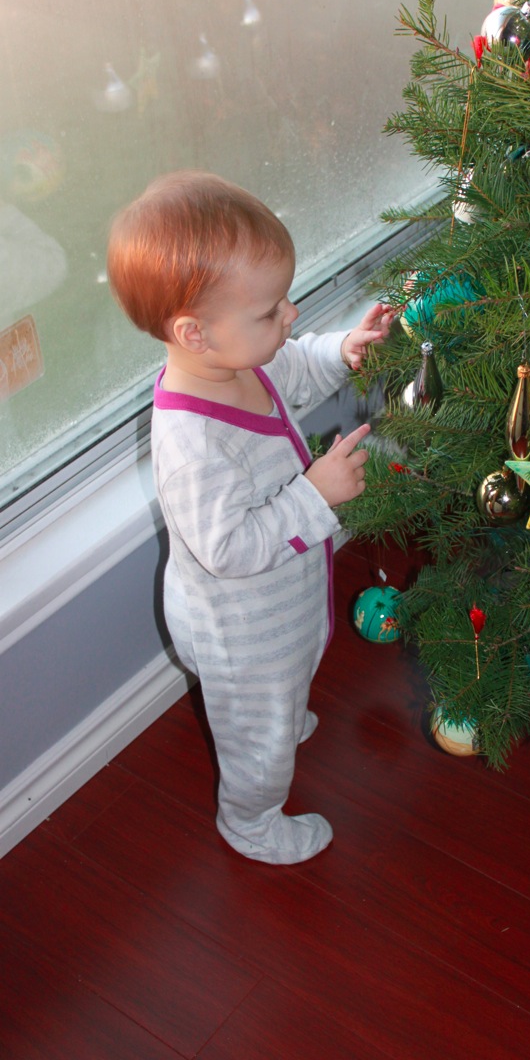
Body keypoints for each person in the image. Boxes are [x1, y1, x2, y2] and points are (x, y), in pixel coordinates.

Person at [107, 171, 393, 864]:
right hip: (240, 628)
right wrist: (315, 497)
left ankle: (283, 710)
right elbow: (228, 547)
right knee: (255, 739)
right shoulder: (190, 444)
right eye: (269, 311)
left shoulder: (237, 363)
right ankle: (252, 820)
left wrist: (339, 351)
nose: (288, 316)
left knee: (290, 680)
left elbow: (289, 369)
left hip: (277, 604)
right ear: (193, 333)